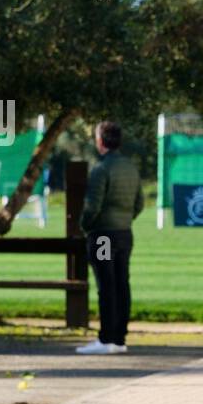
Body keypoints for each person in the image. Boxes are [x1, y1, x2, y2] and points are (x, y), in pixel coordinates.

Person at [77, 120, 143, 354]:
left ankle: (106, 339)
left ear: (100, 141)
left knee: (106, 286)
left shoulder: (101, 169)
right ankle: (119, 338)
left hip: (104, 236)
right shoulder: (130, 168)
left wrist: (84, 226)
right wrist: (124, 220)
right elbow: (139, 204)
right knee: (122, 284)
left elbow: (92, 207)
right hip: (125, 234)